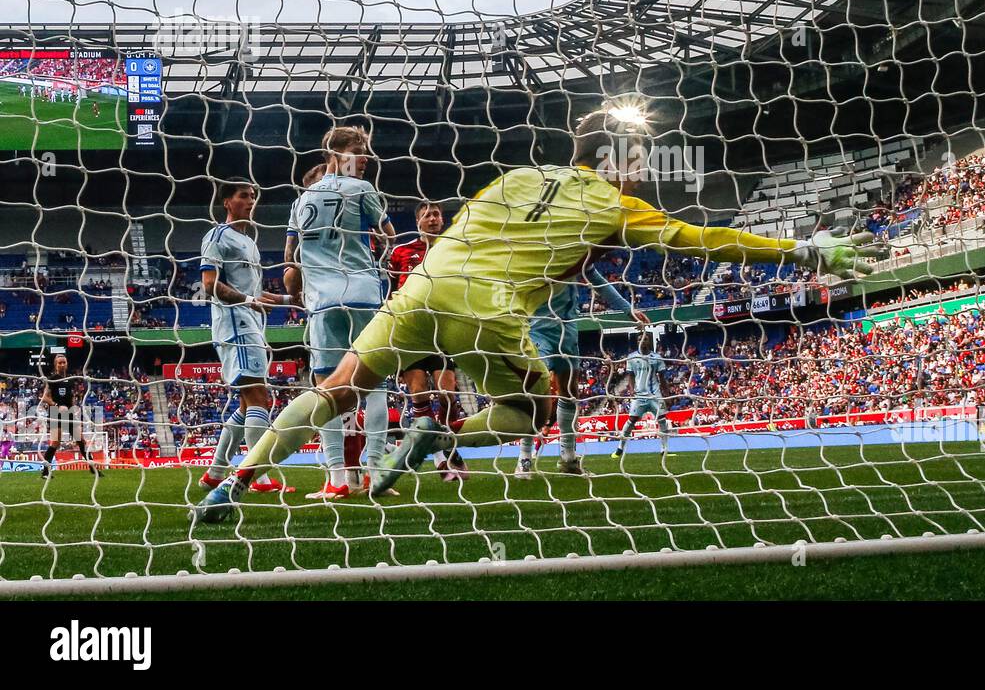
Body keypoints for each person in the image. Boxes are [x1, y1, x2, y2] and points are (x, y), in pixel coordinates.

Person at [195, 108, 881, 521]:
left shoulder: (517, 176)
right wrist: (802, 250)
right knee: (538, 412)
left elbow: (469, 227)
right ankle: (444, 434)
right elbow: (705, 240)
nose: (640, 172)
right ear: (613, 161)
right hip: (486, 310)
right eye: (636, 160)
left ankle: (232, 485)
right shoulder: (618, 205)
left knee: (333, 389)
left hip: (421, 289)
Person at [283, 127, 397, 501]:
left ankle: (337, 479)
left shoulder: (302, 201)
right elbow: (389, 236)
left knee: (325, 387)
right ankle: (376, 472)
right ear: (335, 153)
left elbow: (290, 259)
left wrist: (298, 292)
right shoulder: (362, 190)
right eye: (357, 150)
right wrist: (374, 262)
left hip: (323, 302)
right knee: (375, 383)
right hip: (364, 294)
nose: (365, 157)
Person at [196, 181, 290, 495]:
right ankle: (258, 478)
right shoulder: (217, 236)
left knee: (246, 400)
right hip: (235, 324)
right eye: (243, 196)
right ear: (227, 202)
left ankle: (215, 471)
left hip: (251, 322)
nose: (250, 201)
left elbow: (255, 293)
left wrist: (292, 301)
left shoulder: (249, 242)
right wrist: (249, 302)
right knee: (260, 397)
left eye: (253, 196)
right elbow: (210, 284)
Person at [515, 262, 646, 478]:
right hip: (537, 328)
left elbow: (598, 281)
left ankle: (568, 459)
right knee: (537, 391)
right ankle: (524, 459)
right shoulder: (533, 250)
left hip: (567, 329)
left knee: (570, 392)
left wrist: (627, 309)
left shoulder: (575, 250)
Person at [387, 200, 469, 482]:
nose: (433, 219)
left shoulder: (454, 249)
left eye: (436, 214)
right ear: (418, 221)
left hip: (443, 329)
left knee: (448, 393)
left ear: (441, 219)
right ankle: (440, 458)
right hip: (411, 329)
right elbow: (391, 290)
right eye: (427, 215)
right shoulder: (401, 252)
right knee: (419, 392)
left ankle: (445, 445)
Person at [610, 331, 674, 461]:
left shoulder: (656, 357)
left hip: (655, 394)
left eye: (645, 339)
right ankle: (619, 448)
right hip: (639, 395)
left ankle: (664, 449)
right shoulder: (632, 357)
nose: (642, 341)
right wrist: (632, 389)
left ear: (649, 341)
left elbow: (662, 377)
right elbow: (631, 376)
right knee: (631, 420)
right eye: (640, 339)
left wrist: (667, 394)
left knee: (662, 420)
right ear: (637, 342)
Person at [39, 353, 99, 478]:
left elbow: (71, 397)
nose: (62, 364)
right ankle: (45, 472)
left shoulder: (70, 380)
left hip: (69, 413)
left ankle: (93, 468)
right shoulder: (52, 379)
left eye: (63, 362)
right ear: (56, 365)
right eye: (59, 363)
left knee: (81, 440)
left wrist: (74, 410)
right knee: (55, 442)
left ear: (67, 364)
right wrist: (56, 404)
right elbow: (45, 397)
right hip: (56, 413)